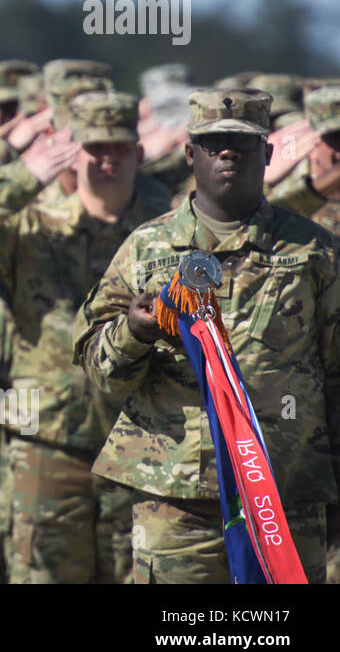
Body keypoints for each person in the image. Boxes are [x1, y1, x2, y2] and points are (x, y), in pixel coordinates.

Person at [74, 88, 340, 583]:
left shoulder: (314, 251)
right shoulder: (146, 248)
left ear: (269, 153)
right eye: (214, 142)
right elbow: (98, 368)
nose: (228, 153)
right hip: (176, 496)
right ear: (189, 154)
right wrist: (134, 330)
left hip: (283, 494)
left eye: (243, 144)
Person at [0, 90, 169, 582]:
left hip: (143, 441)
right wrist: (22, 174)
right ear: (71, 152)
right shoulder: (31, 225)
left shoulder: (166, 227)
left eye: (118, 148)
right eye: (93, 148)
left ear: (139, 154)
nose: (106, 160)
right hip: (48, 444)